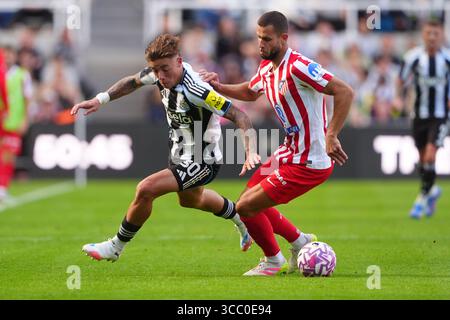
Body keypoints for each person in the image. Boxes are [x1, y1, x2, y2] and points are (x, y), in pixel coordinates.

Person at [71, 34, 260, 262]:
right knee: (191, 200)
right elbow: (132, 81)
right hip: (179, 154)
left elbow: (239, 115)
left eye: (165, 69)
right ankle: (241, 220)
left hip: (203, 160)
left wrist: (250, 150)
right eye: (156, 69)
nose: (161, 75)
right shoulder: (157, 73)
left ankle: (115, 246)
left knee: (146, 189)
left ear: (179, 61)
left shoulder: (198, 90)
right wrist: (100, 100)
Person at [201, 11, 353, 276]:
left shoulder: (299, 66)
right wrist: (219, 85)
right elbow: (250, 91)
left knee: (246, 208)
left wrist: (332, 135)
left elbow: (344, 91)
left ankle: (273, 260)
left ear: (284, 38)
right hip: (288, 152)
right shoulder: (267, 68)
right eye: (258, 38)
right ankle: (299, 241)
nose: (261, 44)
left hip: (309, 161)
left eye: (267, 39)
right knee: (247, 199)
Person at [395, 19, 450, 219]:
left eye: (436, 33)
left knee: (430, 155)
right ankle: (432, 190)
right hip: (419, 115)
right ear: (423, 35)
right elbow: (401, 79)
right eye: (429, 33)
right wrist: (397, 98)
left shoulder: (447, 58)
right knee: (422, 159)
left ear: (441, 35)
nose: (432, 37)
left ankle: (422, 197)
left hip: (441, 115)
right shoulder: (413, 58)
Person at [0, 46, 33, 200]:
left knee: (8, 155)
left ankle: (3, 186)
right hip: (1, 119)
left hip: (13, 121)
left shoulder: (22, 75)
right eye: (5, 55)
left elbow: (27, 99)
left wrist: (25, 119)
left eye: (10, 54)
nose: (7, 58)